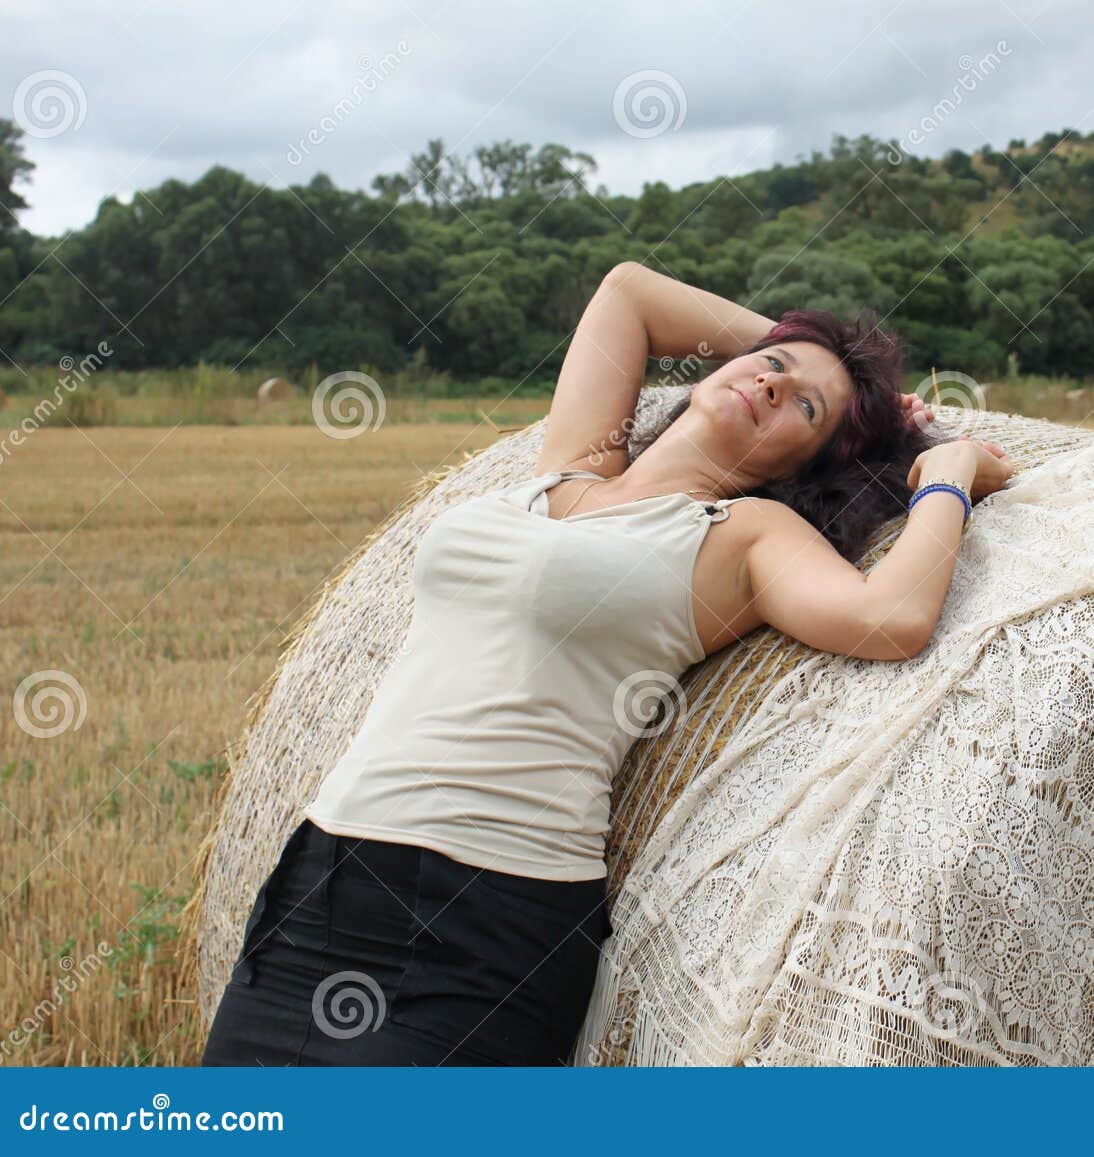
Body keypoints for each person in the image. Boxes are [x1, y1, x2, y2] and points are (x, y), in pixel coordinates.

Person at [201, 262, 1015, 1066]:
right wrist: (806, 351)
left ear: (805, 465)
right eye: (769, 368)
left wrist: (945, 475)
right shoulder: (574, 463)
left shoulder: (741, 535)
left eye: (804, 407)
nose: (773, 387)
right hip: (322, 879)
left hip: (479, 917)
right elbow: (628, 292)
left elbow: (894, 617)